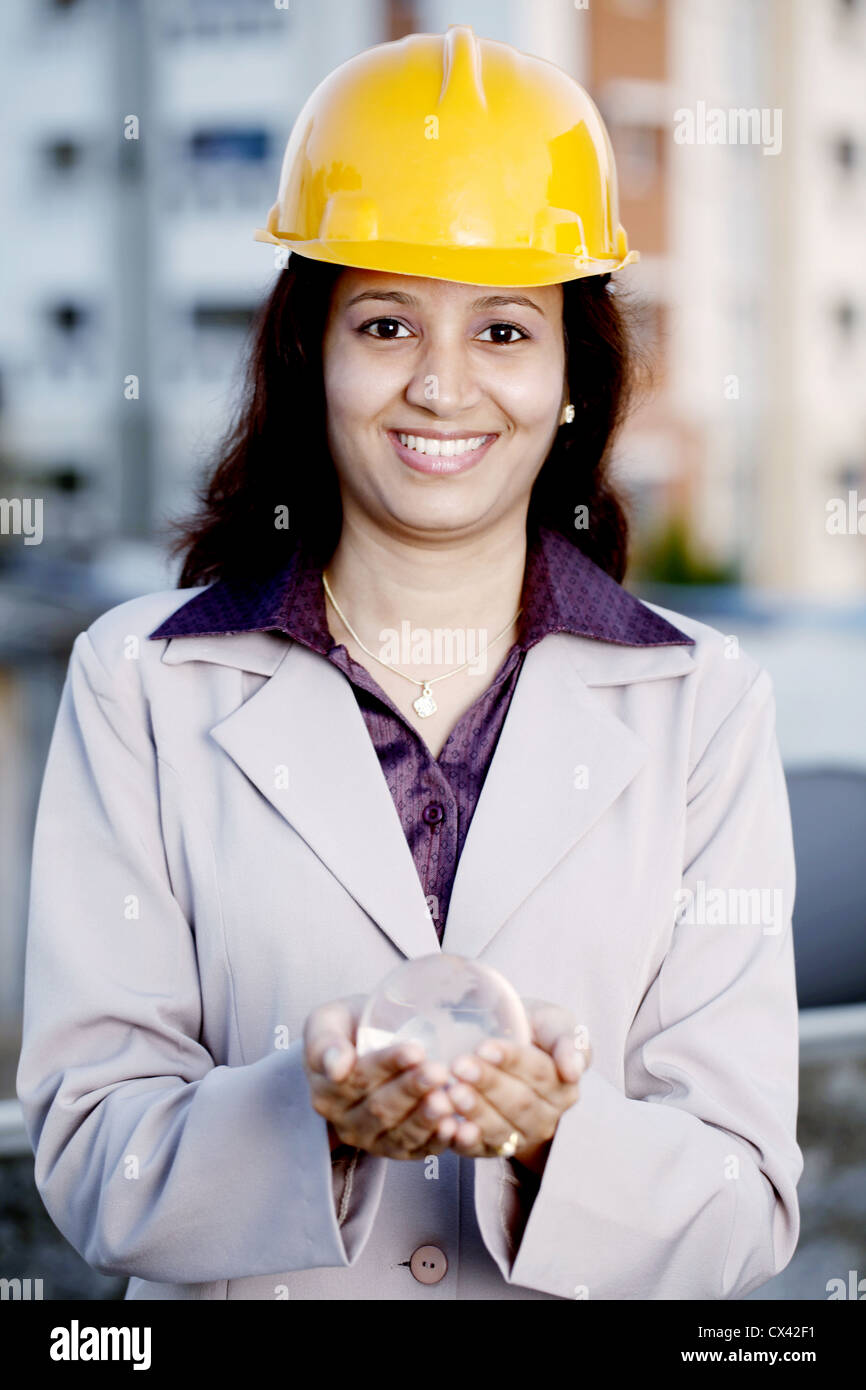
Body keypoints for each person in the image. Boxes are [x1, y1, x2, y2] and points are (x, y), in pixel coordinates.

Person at [16, 25, 802, 1301]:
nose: (441, 387)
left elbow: (747, 1200)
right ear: (309, 353)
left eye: (501, 332)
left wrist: (550, 1133)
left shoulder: (701, 705)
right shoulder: (139, 685)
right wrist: (313, 1116)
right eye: (386, 323)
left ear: (566, 379)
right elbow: (89, 1149)